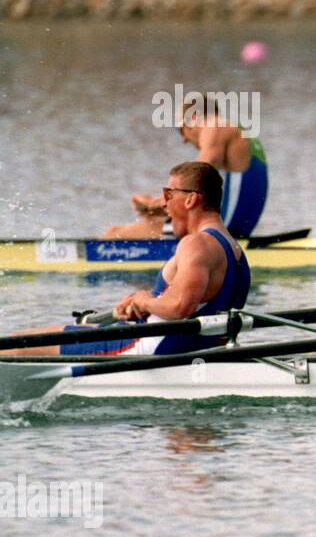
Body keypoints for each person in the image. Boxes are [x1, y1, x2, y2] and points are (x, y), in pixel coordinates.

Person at [0, 163, 251, 357]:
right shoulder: (235, 250)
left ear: (191, 199)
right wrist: (146, 303)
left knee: (15, 345)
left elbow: (179, 308)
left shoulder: (196, 244)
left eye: (168, 193)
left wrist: (143, 299)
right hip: (184, 347)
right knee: (63, 334)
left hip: (148, 348)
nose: (163, 204)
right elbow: (192, 307)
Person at [103, 115, 269, 240]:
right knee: (156, 218)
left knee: (114, 233)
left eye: (181, 129)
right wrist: (157, 209)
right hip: (238, 225)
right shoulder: (238, 131)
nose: (183, 139)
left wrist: (151, 204)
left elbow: (193, 181)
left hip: (222, 228)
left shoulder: (215, 127)